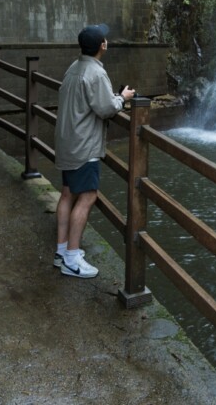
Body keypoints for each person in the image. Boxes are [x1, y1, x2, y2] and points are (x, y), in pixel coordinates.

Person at [54, 23, 135, 278]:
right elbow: (106, 108)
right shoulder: (96, 73)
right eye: (105, 39)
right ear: (103, 46)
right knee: (88, 196)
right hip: (84, 144)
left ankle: (61, 250)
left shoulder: (74, 67)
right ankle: (72, 258)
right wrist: (123, 98)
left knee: (67, 193)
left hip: (67, 140)